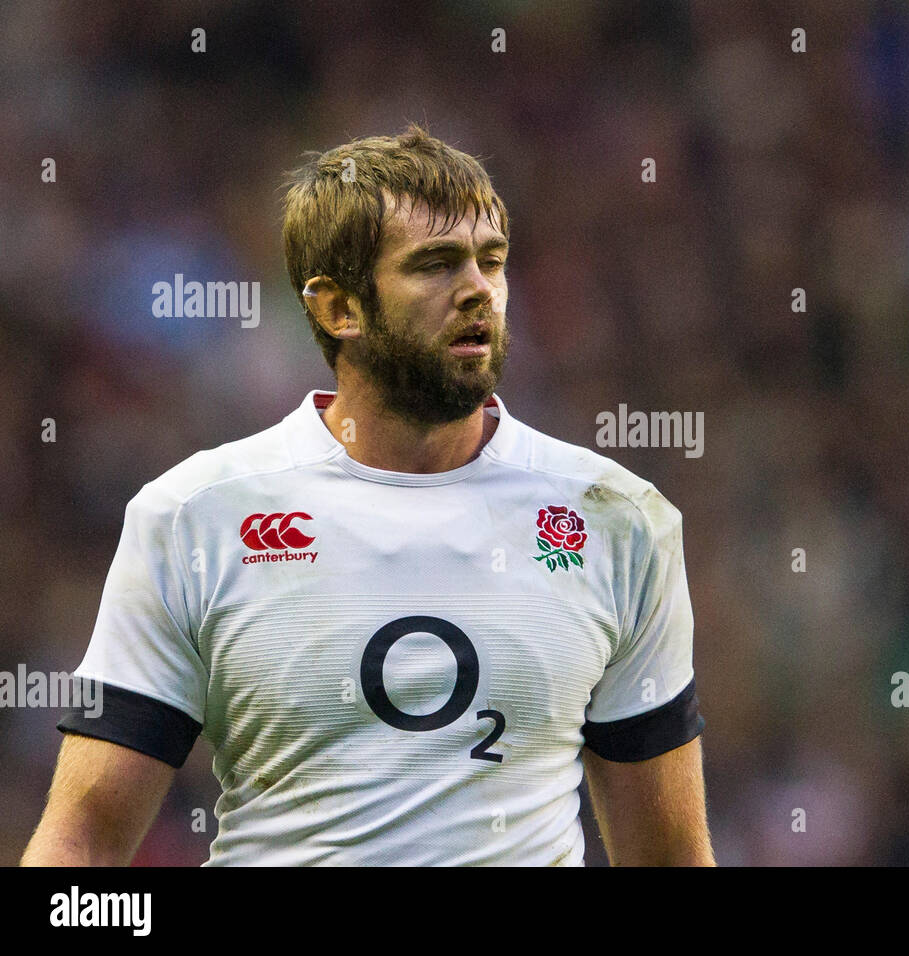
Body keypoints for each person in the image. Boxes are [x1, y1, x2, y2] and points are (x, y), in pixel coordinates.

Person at [21, 124, 713, 866]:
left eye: (492, 260)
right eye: (436, 265)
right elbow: (82, 844)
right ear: (336, 309)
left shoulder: (617, 519)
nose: (478, 288)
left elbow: (669, 854)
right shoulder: (195, 518)